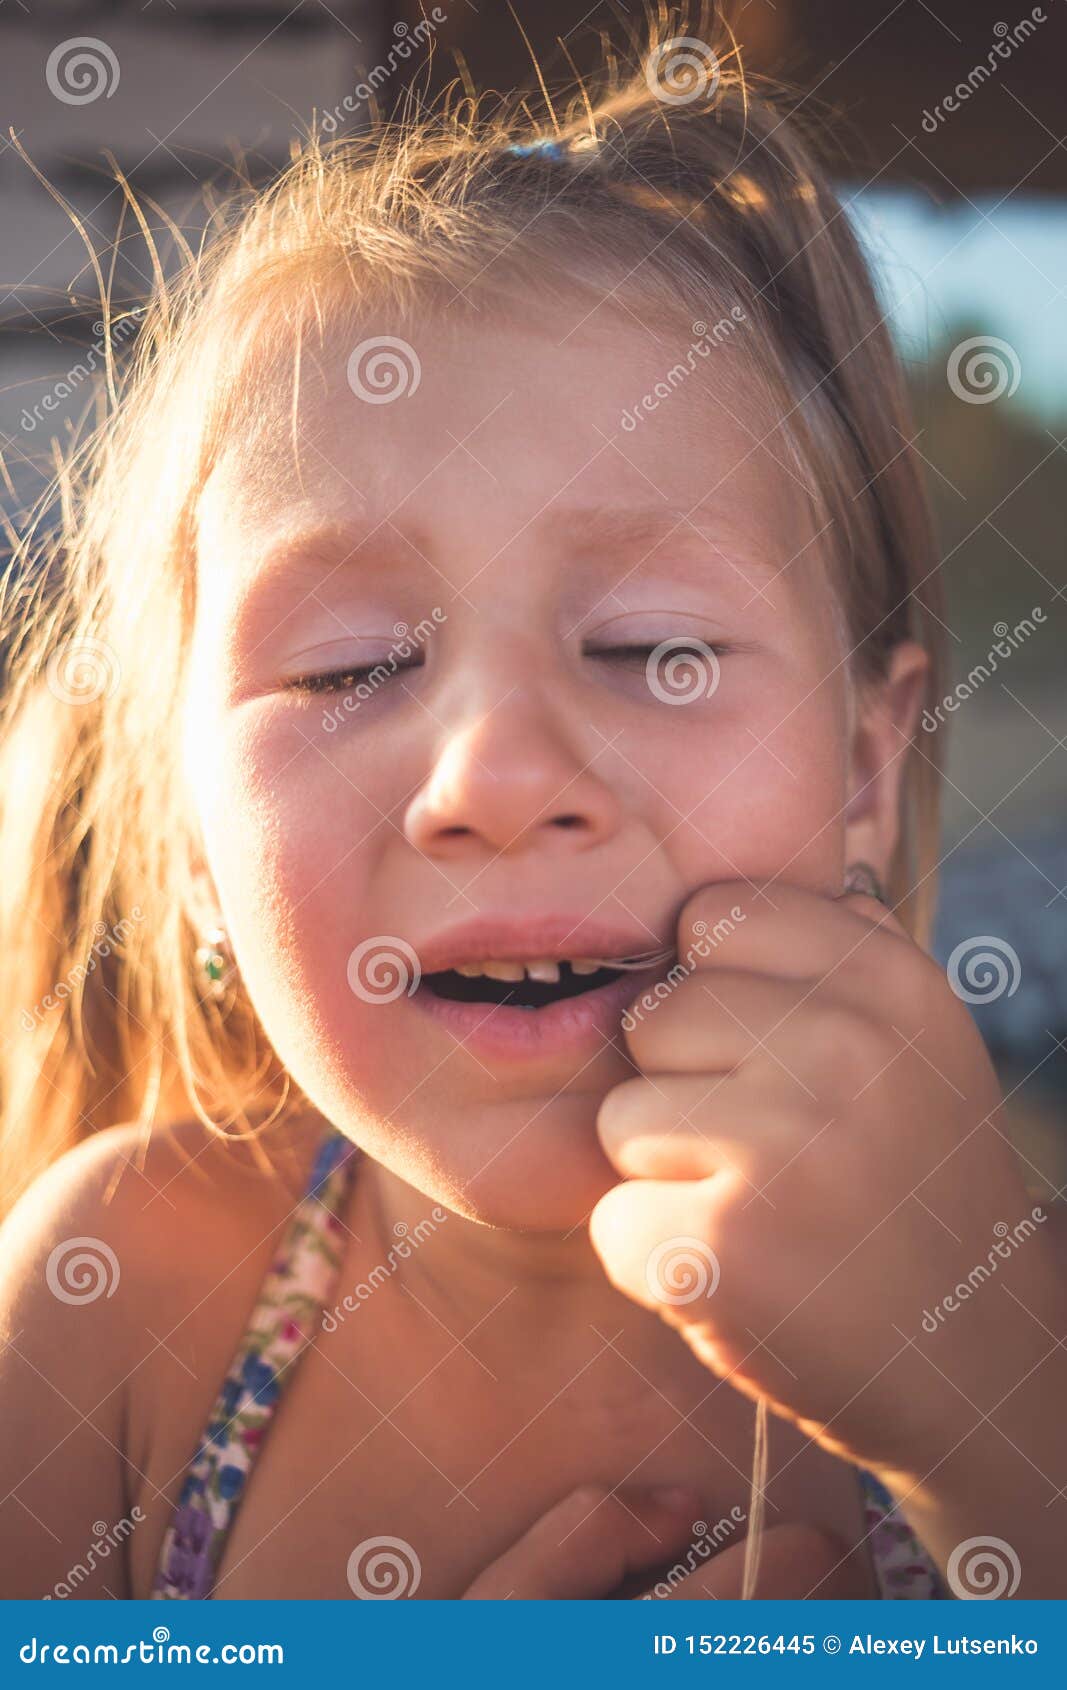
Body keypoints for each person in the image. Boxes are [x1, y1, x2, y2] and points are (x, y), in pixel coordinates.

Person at [1, 6, 1064, 1602]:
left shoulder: (1016, 1307)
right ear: (194, 843)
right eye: (352, 666)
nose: (494, 780)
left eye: (652, 648)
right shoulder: (120, 1300)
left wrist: (1005, 1426)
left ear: (864, 765)